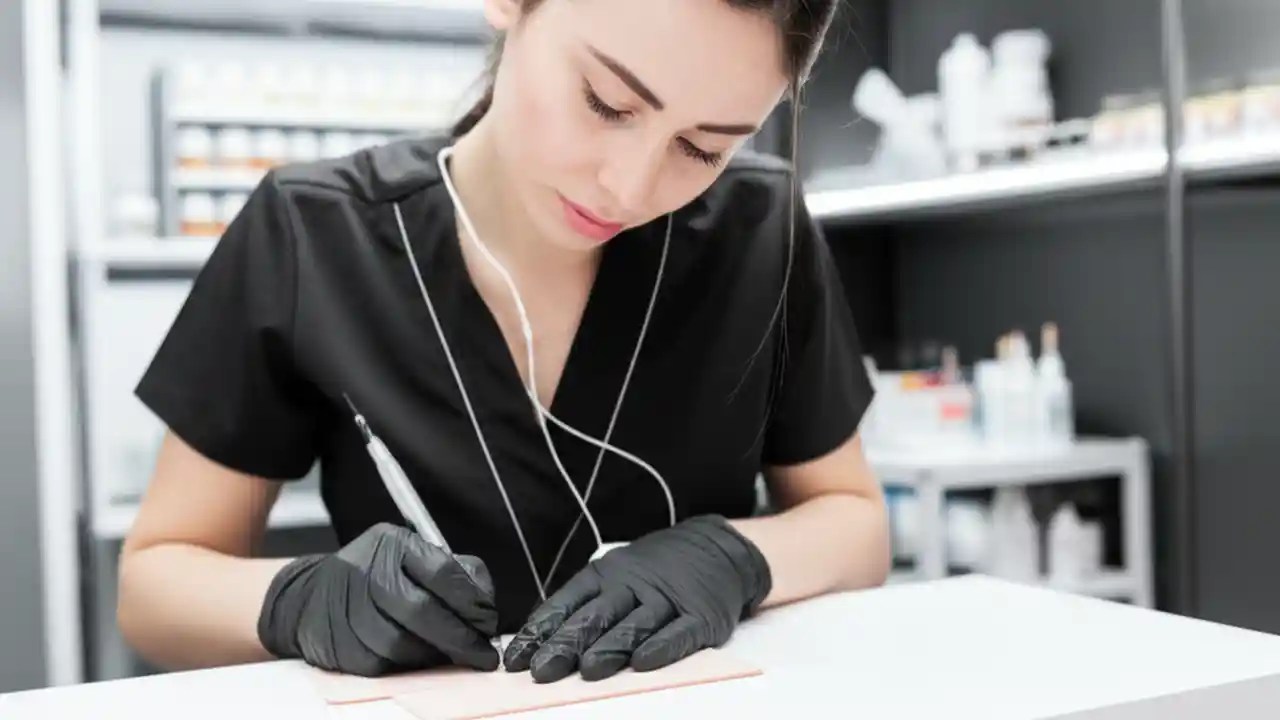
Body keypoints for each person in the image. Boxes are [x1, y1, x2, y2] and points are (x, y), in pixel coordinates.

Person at [117, 0, 890, 684]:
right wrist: (301, 600)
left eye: (702, 148)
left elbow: (856, 525)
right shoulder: (313, 233)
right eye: (606, 101)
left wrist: (732, 559)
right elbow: (153, 588)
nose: (626, 186)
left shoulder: (761, 232)